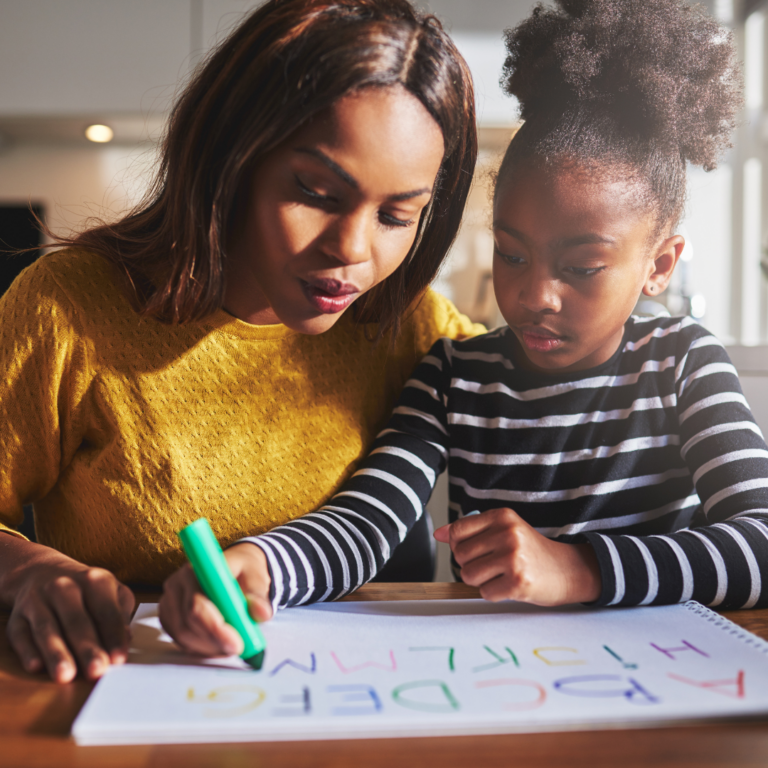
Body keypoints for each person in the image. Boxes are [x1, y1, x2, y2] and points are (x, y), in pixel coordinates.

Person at [162, 0, 768, 659]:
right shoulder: (454, 375)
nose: (535, 295)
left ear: (659, 265)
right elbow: (369, 522)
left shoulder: (682, 364)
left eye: (582, 267)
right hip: (500, 681)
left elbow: (761, 542)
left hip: (660, 682)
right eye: (511, 254)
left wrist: (578, 569)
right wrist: (264, 564)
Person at [0, 0, 483, 683]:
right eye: (315, 192)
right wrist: (28, 570)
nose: (352, 251)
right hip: (142, 700)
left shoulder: (405, 322)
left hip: (368, 708)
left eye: (397, 215)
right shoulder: (69, 308)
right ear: (234, 159)